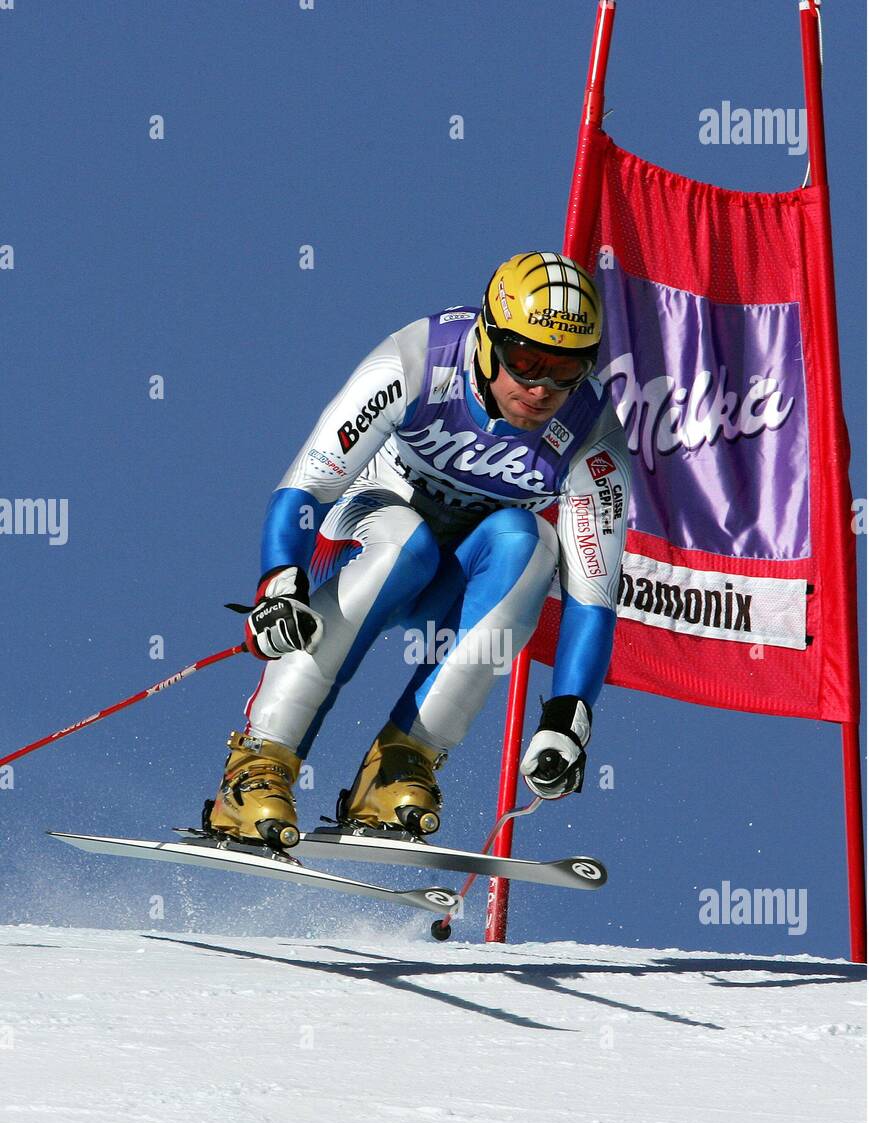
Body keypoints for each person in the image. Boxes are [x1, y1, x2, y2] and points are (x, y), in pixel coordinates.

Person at [206, 251, 631, 849]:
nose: (541, 388)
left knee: (529, 543)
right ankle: (260, 763)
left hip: (454, 582)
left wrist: (567, 718)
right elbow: (309, 486)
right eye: (527, 361)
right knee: (406, 542)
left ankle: (400, 764)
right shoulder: (417, 359)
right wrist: (280, 582)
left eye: (566, 370)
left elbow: (593, 594)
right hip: (364, 539)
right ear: (488, 339)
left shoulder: (592, 434)